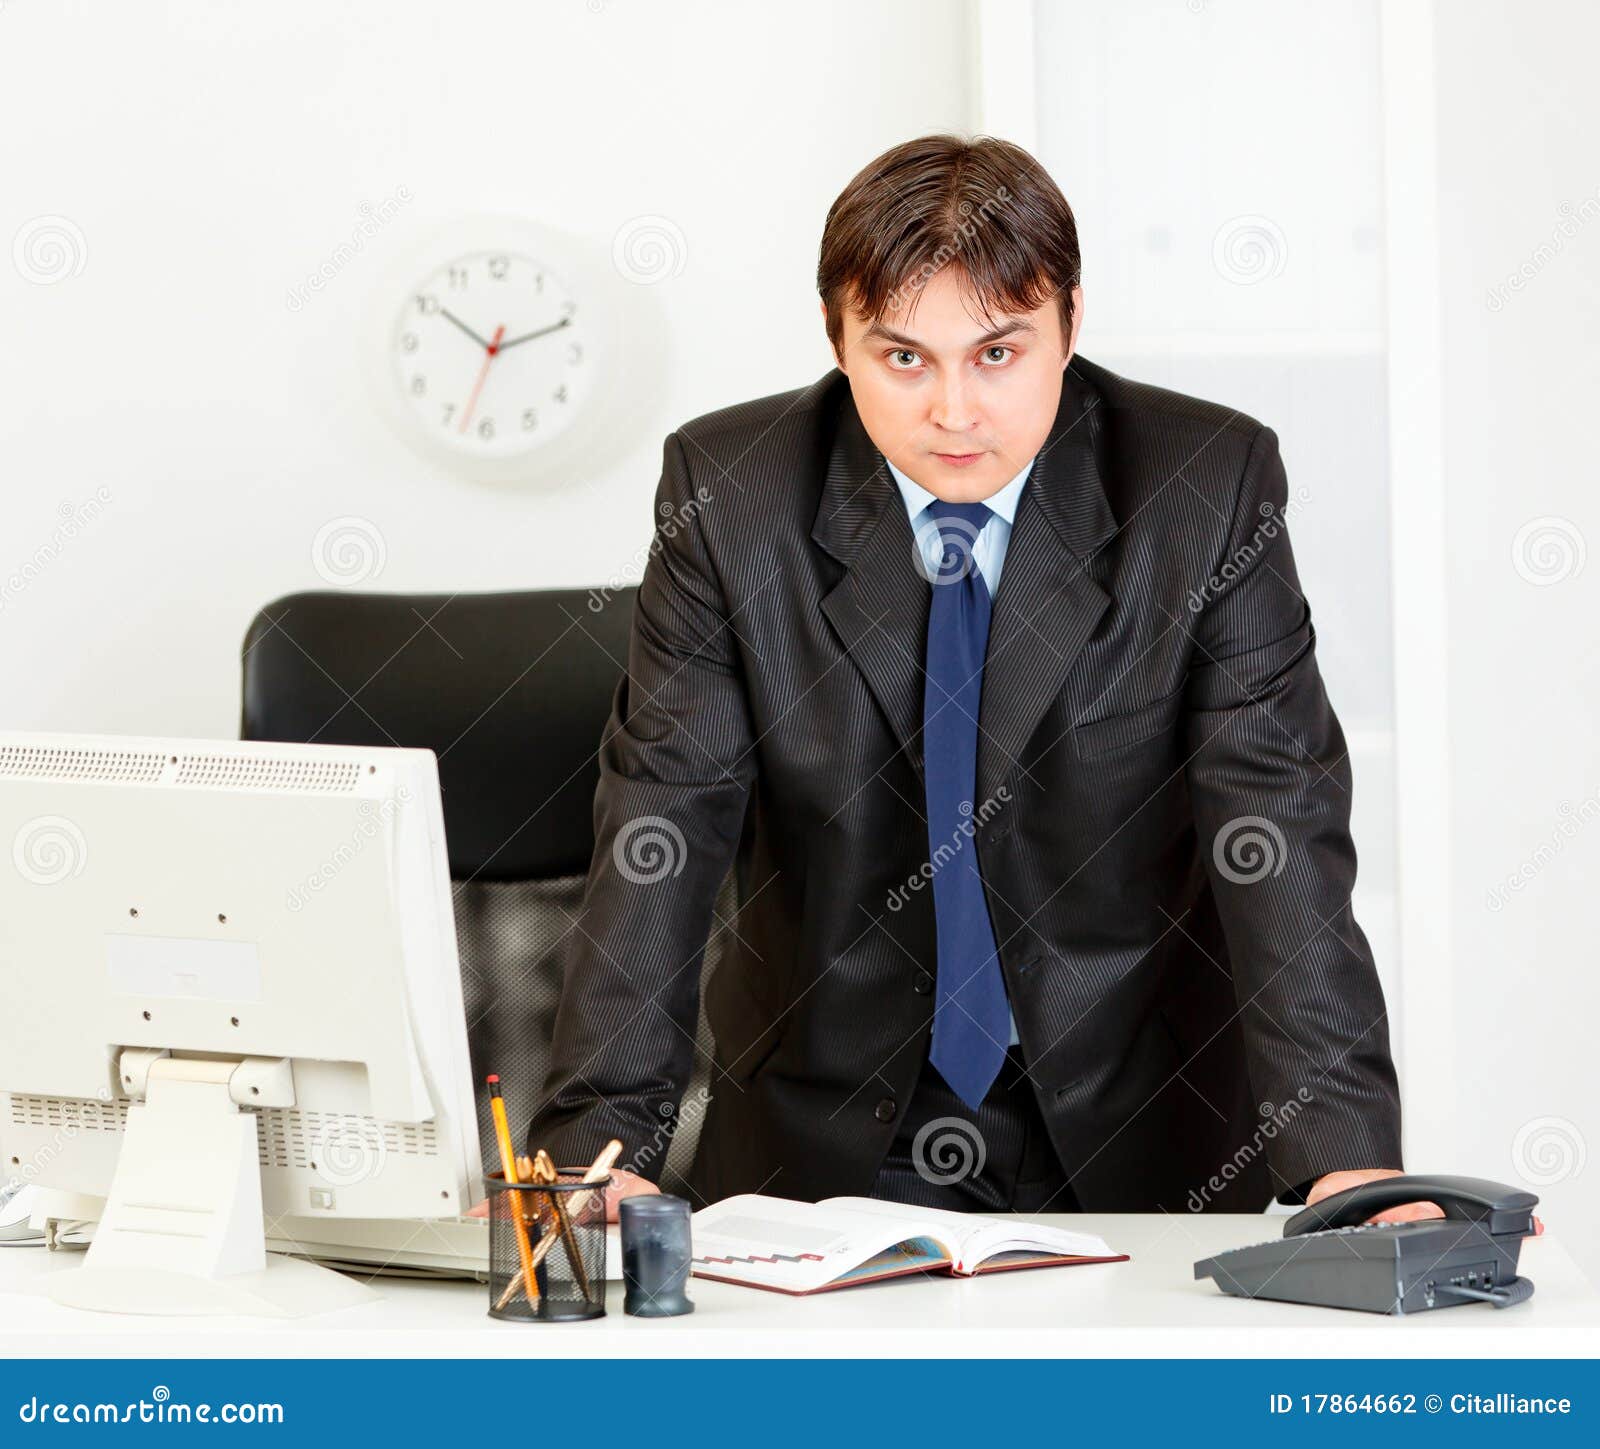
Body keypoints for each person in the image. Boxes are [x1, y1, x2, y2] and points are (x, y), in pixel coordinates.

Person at [528, 133, 1440, 1227]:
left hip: (1142, 1124)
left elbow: (1277, 827)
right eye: (903, 357)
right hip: (825, 1135)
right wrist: (594, 1149)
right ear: (838, 343)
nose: (953, 411)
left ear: (1070, 327)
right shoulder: (731, 499)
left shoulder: (1204, 488)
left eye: (998, 354)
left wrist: (1345, 1161)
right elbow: (664, 824)